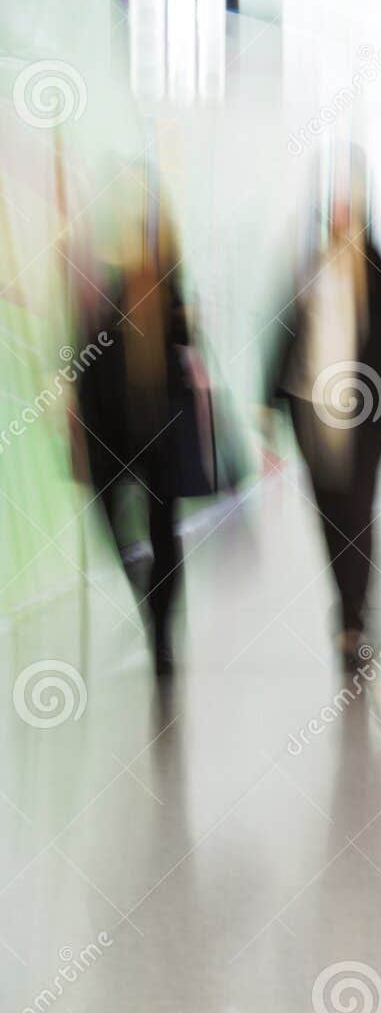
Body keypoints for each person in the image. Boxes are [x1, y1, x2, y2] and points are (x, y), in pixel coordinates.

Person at [268, 157, 381, 669]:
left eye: (349, 202)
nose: (341, 212)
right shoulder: (310, 265)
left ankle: (351, 619)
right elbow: (285, 334)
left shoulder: (374, 265)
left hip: (369, 411)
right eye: (335, 203)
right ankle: (348, 599)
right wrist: (266, 400)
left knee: (357, 510)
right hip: (312, 413)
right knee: (330, 514)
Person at [72, 194, 201, 676]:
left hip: (162, 439)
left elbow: (186, 360)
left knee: (163, 534)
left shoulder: (172, 300)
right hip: (113, 437)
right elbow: (87, 366)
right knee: (117, 529)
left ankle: (162, 630)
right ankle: (151, 600)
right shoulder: (106, 297)